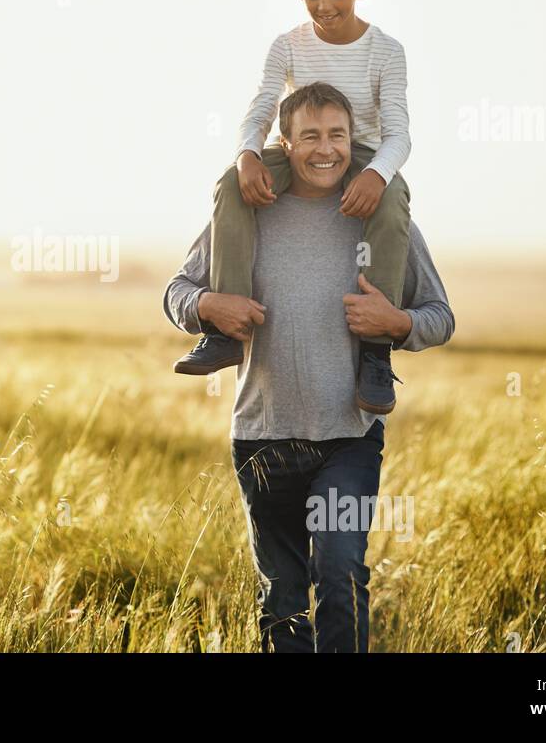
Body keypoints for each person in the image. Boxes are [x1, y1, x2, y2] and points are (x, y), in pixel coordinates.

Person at [162, 82, 454, 652]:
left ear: (354, 141)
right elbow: (177, 290)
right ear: (283, 143)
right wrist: (204, 306)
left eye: (338, 135)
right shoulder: (248, 214)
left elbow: (439, 316)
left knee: (341, 574)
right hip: (263, 439)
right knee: (283, 599)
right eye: (311, 136)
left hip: (347, 437)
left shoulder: (379, 219)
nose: (326, 149)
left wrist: (397, 324)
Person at [174, 0, 412, 416]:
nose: (324, 6)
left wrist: (377, 175)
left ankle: (375, 352)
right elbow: (262, 107)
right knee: (229, 185)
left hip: (361, 152)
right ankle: (225, 330)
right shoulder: (287, 46)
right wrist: (247, 154)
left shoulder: (386, 51)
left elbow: (400, 133)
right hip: (299, 146)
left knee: (392, 200)